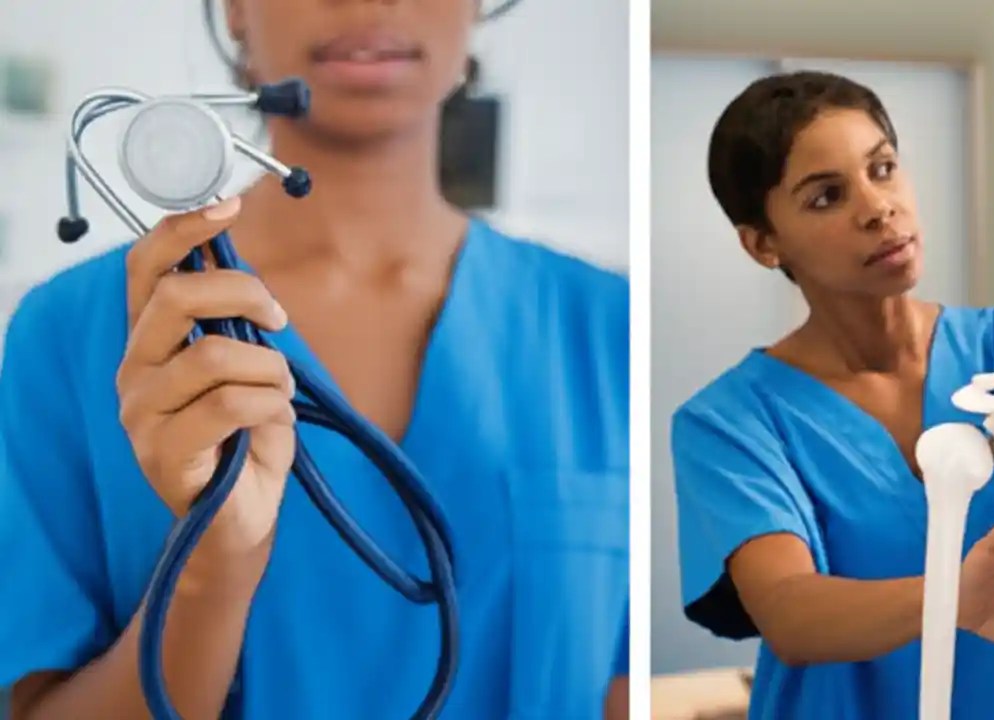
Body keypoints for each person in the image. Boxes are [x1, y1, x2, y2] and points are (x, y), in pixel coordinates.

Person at [0, 1, 628, 719]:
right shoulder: (64, 335)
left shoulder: (612, 329)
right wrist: (210, 569)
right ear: (236, 9)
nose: (370, 3)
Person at [669, 70, 994, 719]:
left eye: (883, 168)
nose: (879, 207)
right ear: (764, 243)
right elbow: (789, 613)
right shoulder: (732, 422)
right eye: (825, 197)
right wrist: (960, 597)